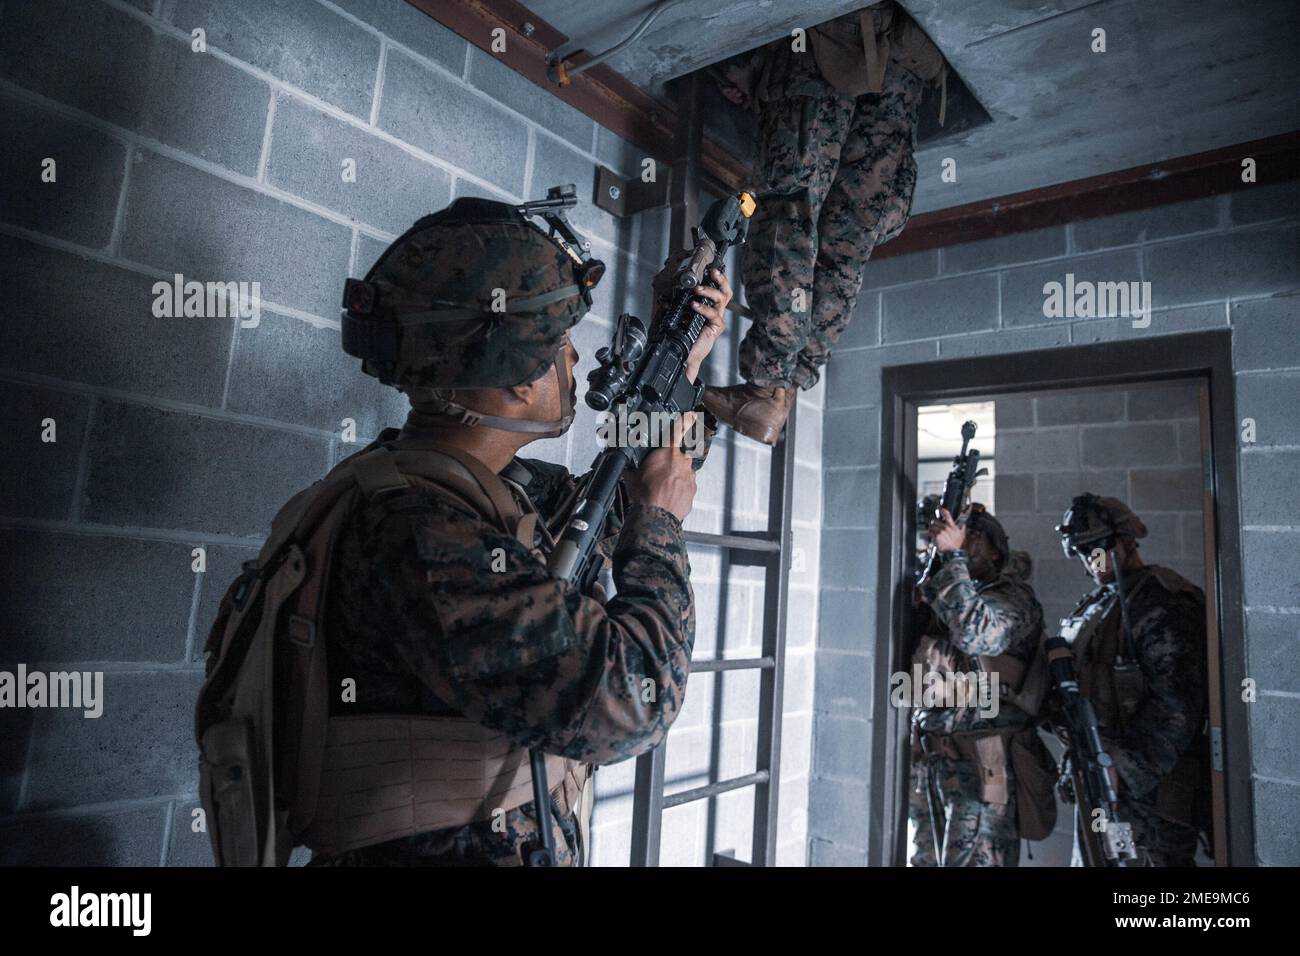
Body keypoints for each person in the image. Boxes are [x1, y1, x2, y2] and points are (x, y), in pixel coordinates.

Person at [203, 193, 730, 867]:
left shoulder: (478, 491)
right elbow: (632, 699)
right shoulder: (419, 533)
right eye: (562, 346)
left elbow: (620, 494)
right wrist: (661, 525)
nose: (575, 363)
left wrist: (679, 363)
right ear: (514, 386)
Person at [704, 2, 946, 444]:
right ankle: (784, 385)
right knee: (845, 250)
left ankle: (766, 385)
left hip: (833, 42)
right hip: (904, 68)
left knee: (790, 208)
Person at [1053, 494, 1209, 867]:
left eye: (1096, 548)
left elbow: (1178, 708)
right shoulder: (1099, 604)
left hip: (1147, 798)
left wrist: (1120, 765)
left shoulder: (1160, 603)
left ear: (1126, 541)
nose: (1090, 562)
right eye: (1081, 552)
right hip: (1102, 781)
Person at [908, 503, 1049, 867]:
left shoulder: (1015, 598)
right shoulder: (946, 595)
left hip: (985, 761)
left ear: (996, 552)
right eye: (957, 535)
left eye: (972, 538)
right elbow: (914, 676)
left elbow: (976, 635)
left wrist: (953, 555)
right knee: (924, 859)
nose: (961, 541)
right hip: (935, 760)